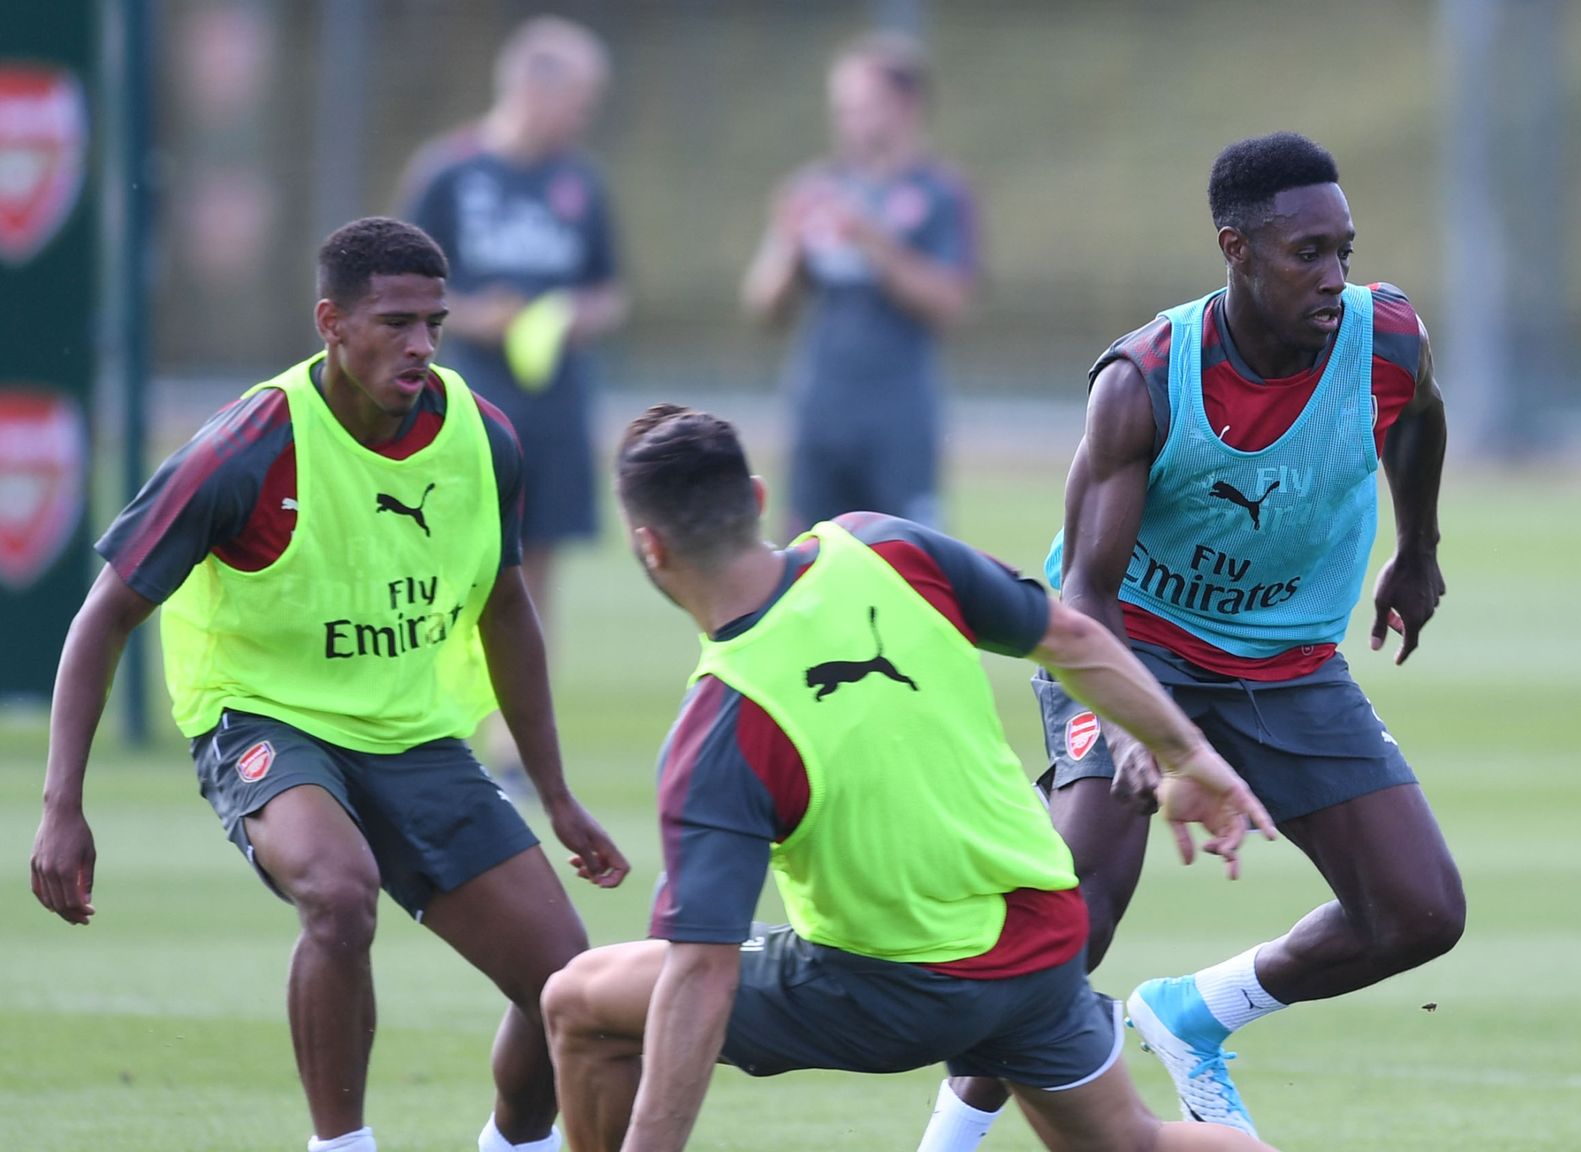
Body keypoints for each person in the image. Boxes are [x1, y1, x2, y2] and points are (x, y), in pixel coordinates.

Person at [29, 217, 630, 1152]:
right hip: (263, 720)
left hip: (412, 735)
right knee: (340, 895)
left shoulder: (482, 435)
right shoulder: (247, 449)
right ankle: (340, 1146)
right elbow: (102, 617)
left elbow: (507, 610)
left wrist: (555, 793)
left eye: (434, 322)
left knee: (570, 987)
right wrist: (61, 802)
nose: (422, 346)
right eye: (395, 322)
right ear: (331, 324)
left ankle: (517, 1143)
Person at [537, 405, 1281, 1152]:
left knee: (578, 1002)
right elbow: (1073, 637)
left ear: (651, 548)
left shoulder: (724, 725)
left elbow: (702, 975)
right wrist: (1187, 757)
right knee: (1136, 1144)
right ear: (759, 499)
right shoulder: (882, 548)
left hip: (899, 991)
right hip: (1045, 941)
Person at [919, 132, 1462, 1148]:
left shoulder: (1382, 339)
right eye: (1308, 253)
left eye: (1343, 249)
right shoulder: (1145, 377)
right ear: (1237, 250)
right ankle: (945, 1141)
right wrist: (1135, 735)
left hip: (1290, 661)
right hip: (1138, 649)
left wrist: (1417, 550)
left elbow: (1416, 420)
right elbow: (1082, 594)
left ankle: (1195, 1013)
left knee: (1420, 912)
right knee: (1075, 910)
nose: (1333, 277)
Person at [403, 15, 628, 631]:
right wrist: (475, 315)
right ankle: (443, 708)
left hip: (556, 401)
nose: (584, 118)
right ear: (534, 88)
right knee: (451, 560)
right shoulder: (448, 173)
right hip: (470, 398)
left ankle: (514, 726)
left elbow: (610, 292)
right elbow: (394, 287)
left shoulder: (581, 180)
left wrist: (577, 315)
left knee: (539, 562)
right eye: (578, 103)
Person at [739, 32, 976, 534]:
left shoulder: (940, 194)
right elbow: (763, 306)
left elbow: (950, 302)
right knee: (806, 557)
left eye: (863, 105)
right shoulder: (815, 188)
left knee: (906, 557)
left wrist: (876, 244)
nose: (847, 119)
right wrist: (788, 244)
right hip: (820, 407)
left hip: (898, 412)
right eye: (841, 107)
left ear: (906, 105)